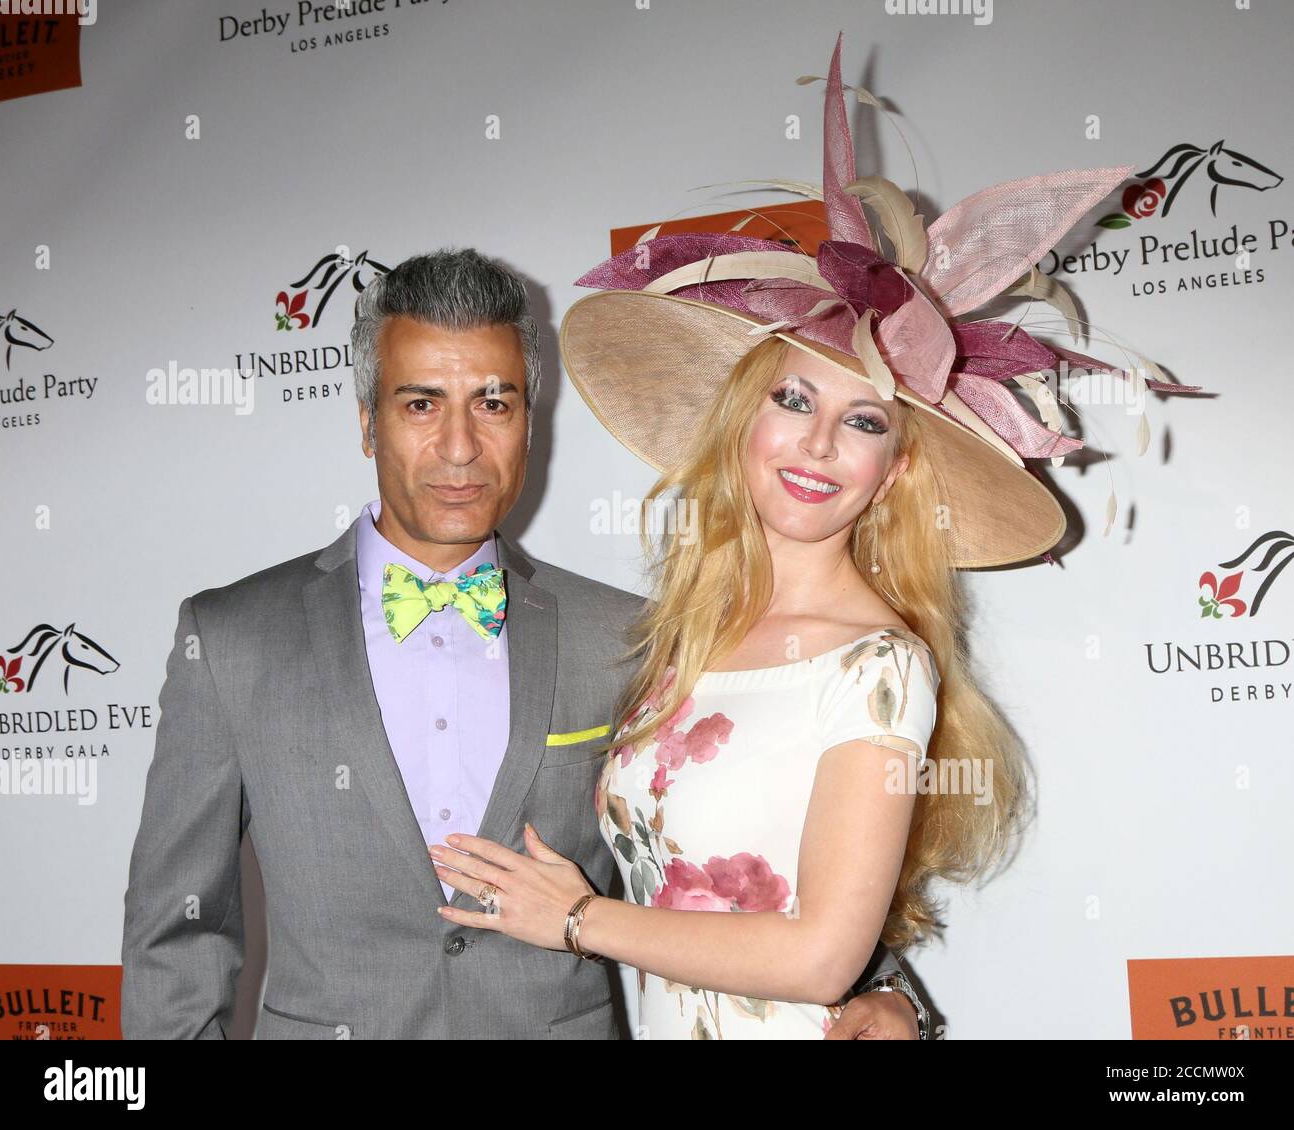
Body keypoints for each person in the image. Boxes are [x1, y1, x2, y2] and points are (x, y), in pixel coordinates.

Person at [423, 32, 1205, 1039]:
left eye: (865, 420)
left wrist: (575, 917)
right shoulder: (675, 641)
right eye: (793, 397)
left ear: (894, 470)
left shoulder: (878, 666)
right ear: (743, 419)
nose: (820, 443)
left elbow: (822, 951)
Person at [119, 244, 925, 1040]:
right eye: (421, 404)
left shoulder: (627, 634)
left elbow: (724, 840)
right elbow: (174, 933)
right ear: (368, 424)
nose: (461, 447)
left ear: (530, 425)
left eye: (494, 404)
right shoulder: (231, 639)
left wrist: (882, 983)